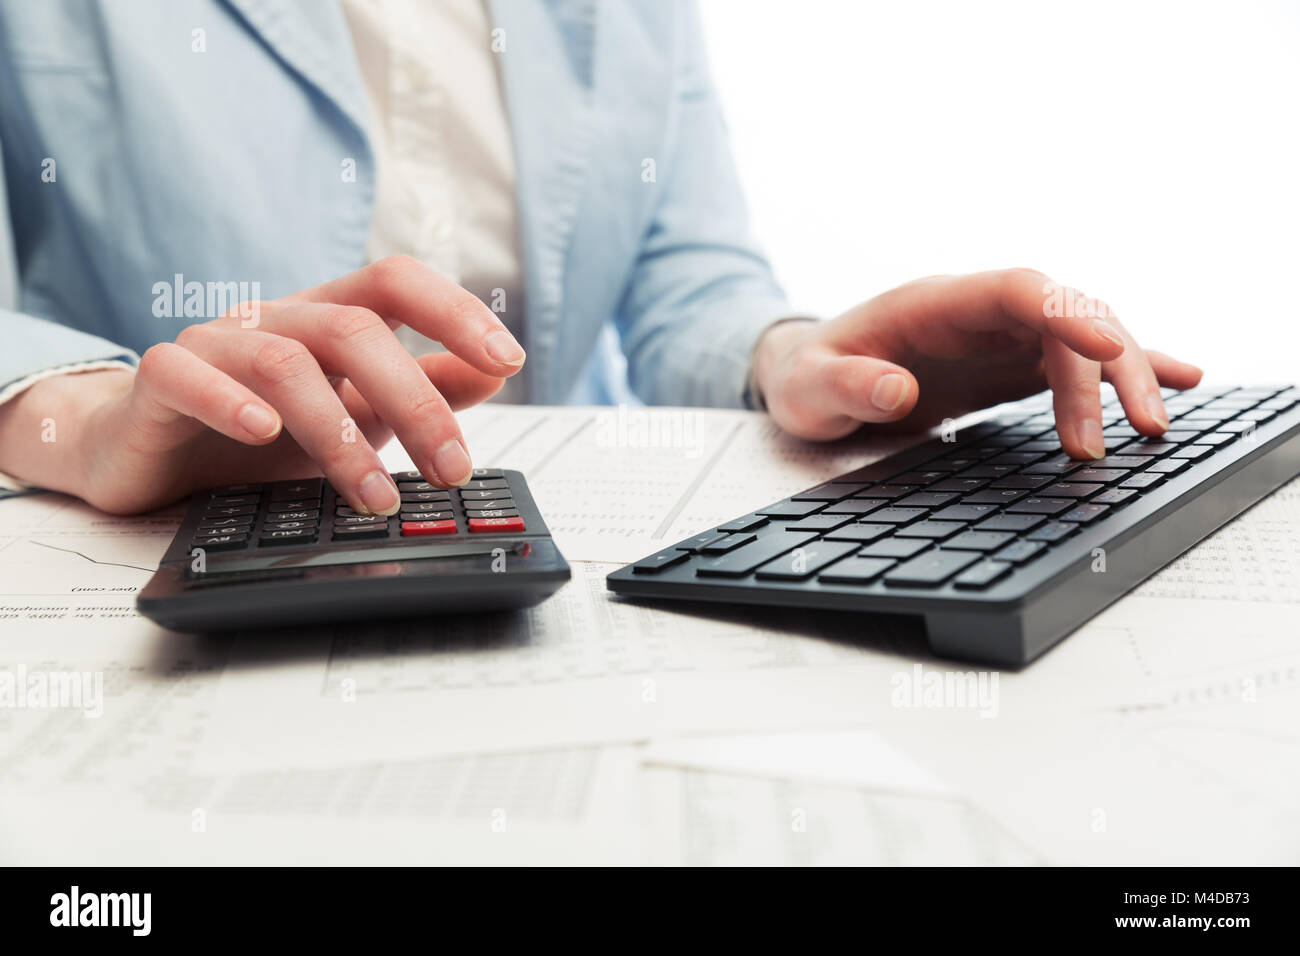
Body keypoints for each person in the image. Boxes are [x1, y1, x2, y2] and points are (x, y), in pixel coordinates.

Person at [0, 0, 1201, 516]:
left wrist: (794, 354)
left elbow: (687, 280)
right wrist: (89, 416)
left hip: (534, 554)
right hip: (146, 554)